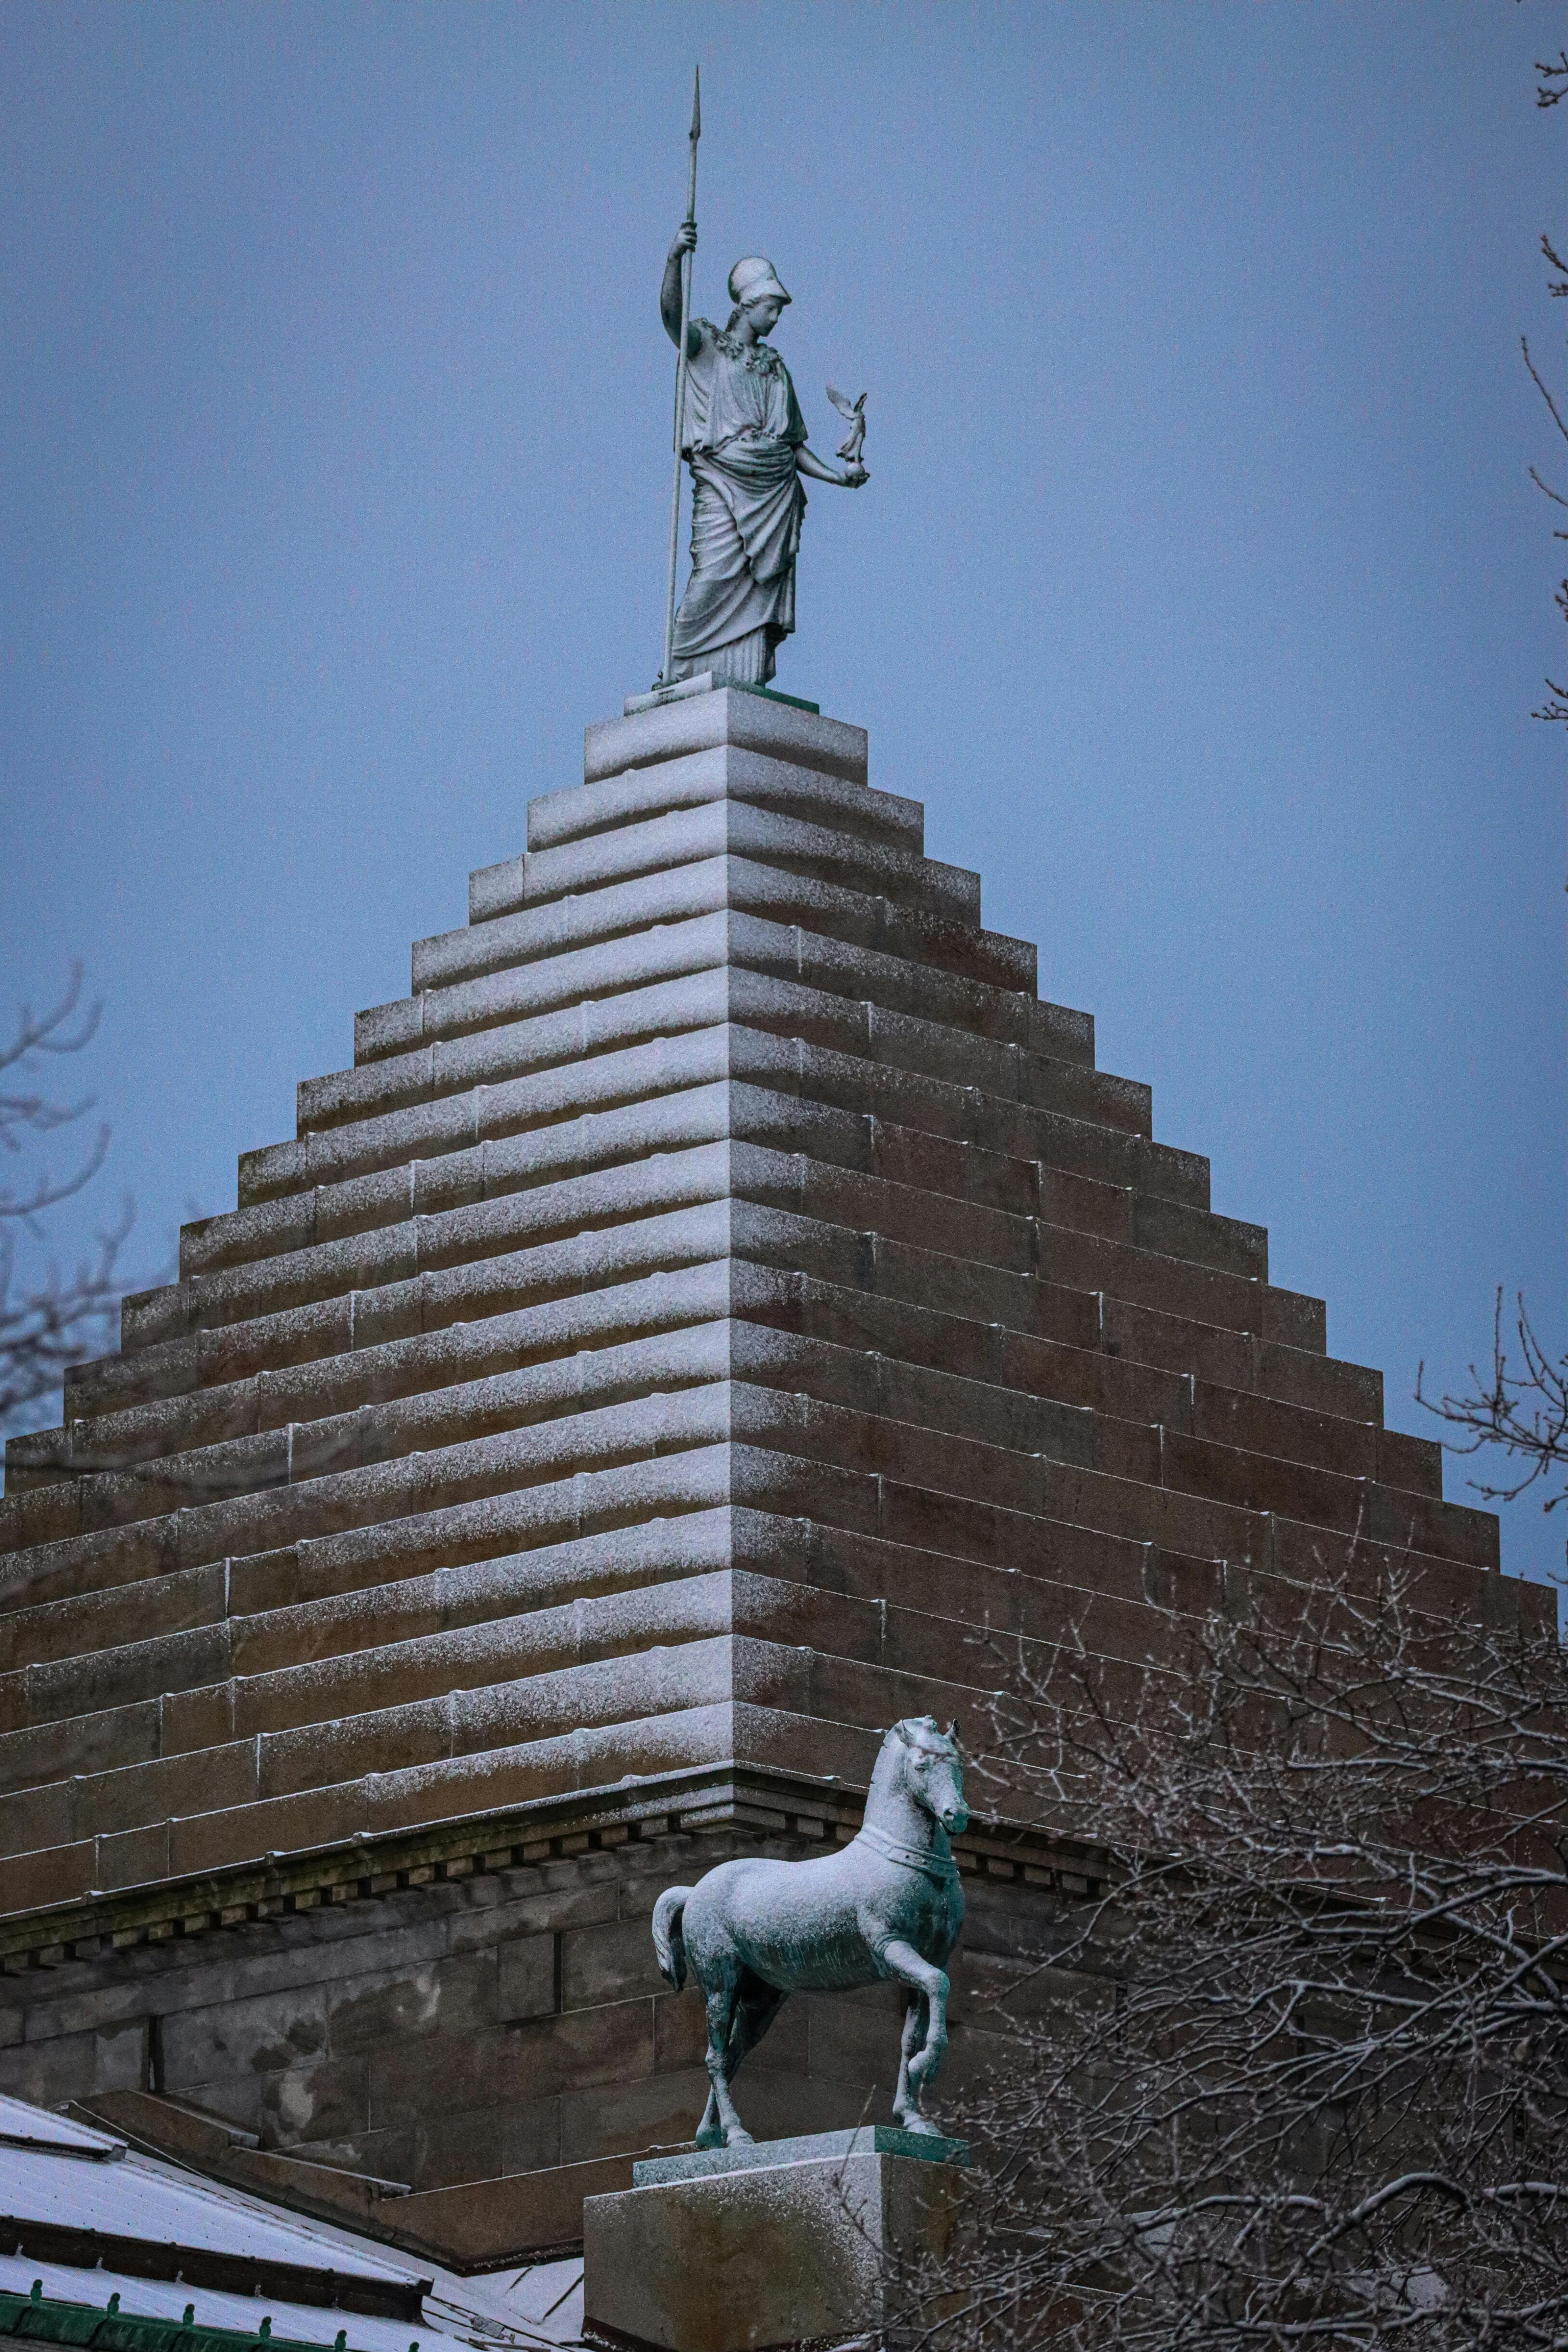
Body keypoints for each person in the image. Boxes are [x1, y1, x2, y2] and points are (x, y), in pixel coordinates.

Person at [661, 225, 867, 687]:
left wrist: (839, 477)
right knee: (710, 578)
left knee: (757, 589)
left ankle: (744, 676)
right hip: (723, 480)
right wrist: (674, 259)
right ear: (746, 305)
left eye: (778, 309)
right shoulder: (708, 344)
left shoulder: (776, 369)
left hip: (772, 494)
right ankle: (679, 671)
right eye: (771, 308)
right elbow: (672, 319)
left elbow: (792, 446)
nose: (776, 318)